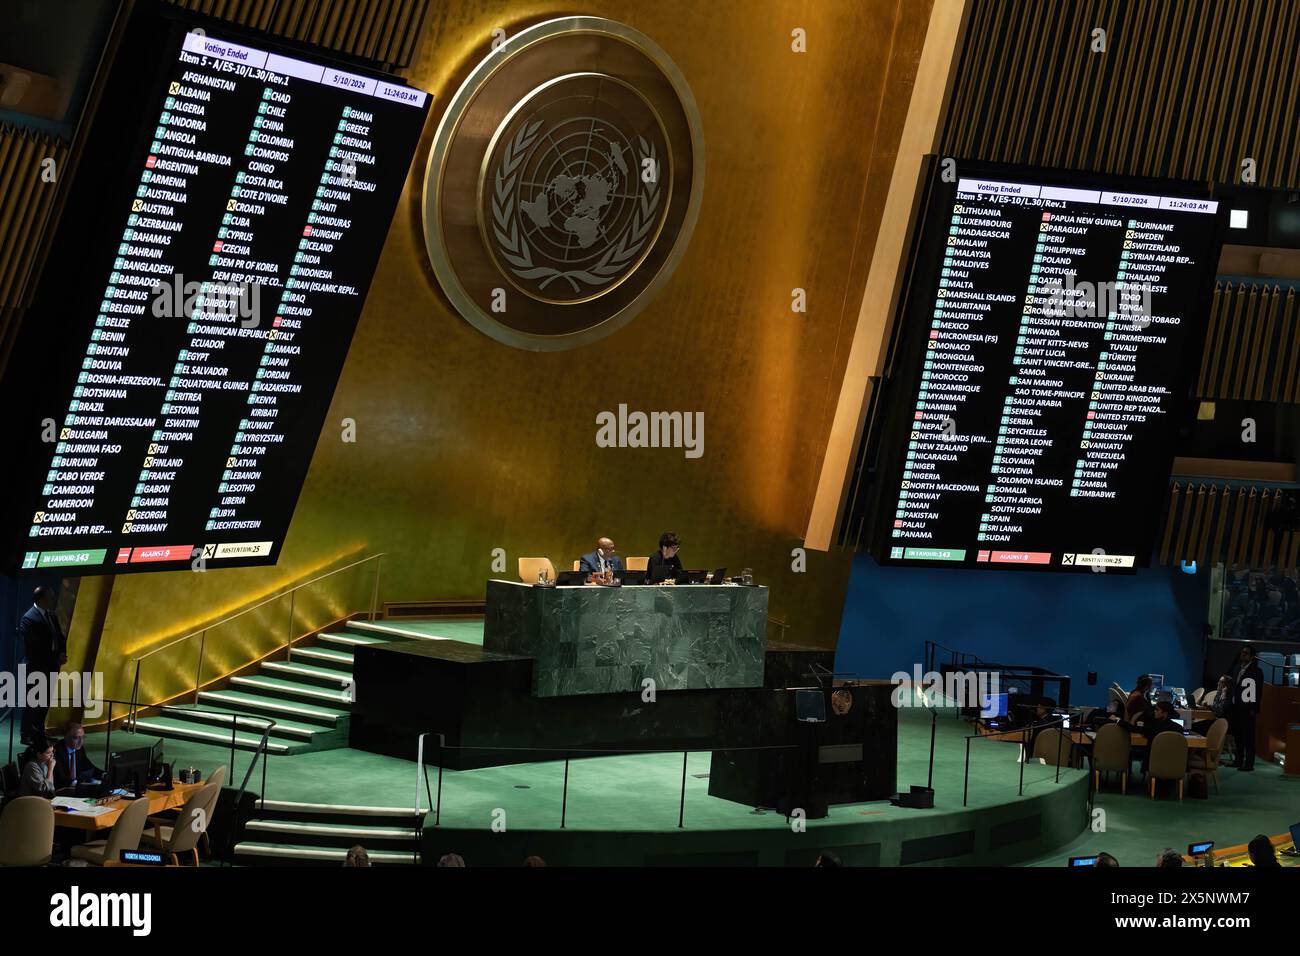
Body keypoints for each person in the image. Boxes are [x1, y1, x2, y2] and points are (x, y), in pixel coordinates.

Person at [18, 585, 66, 745]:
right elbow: (34, 646)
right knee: (33, 701)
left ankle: (39, 734)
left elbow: (59, 637)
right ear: (41, 599)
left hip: (51, 666)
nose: (52, 600)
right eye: (50, 597)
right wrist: (54, 657)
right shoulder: (28, 618)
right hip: (36, 667)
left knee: (44, 702)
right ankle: (26, 735)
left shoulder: (51, 615)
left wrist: (61, 654)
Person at [1229, 644, 1264, 771]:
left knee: (1248, 737)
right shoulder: (1238, 668)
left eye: (1246, 653)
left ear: (1252, 656)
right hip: (1236, 707)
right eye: (1242, 652)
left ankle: (1249, 764)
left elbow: (1258, 691)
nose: (1242, 655)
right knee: (1238, 736)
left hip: (1248, 709)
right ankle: (1238, 760)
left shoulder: (1256, 671)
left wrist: (1253, 709)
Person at [53, 720, 102, 790]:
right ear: (65, 736)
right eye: (76, 738)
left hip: (76, 786)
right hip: (62, 789)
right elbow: (60, 777)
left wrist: (104, 775)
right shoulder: (57, 751)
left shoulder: (80, 749)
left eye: (83, 737)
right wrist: (81, 785)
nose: (81, 741)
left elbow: (89, 767)